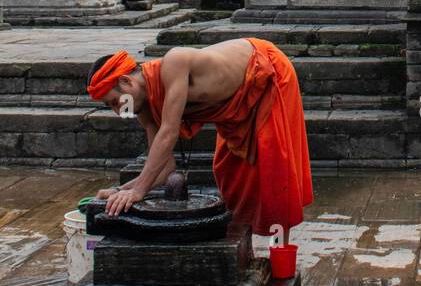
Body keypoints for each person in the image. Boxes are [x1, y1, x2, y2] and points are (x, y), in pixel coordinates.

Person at [85, 38, 313, 236]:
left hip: (266, 73)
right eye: (111, 106)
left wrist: (137, 191)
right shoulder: (142, 106)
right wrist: (121, 191)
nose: (119, 110)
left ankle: (280, 255)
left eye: (116, 102)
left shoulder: (174, 63)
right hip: (232, 106)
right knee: (229, 173)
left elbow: (169, 131)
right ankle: (243, 248)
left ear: (126, 81)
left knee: (274, 169)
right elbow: (165, 168)